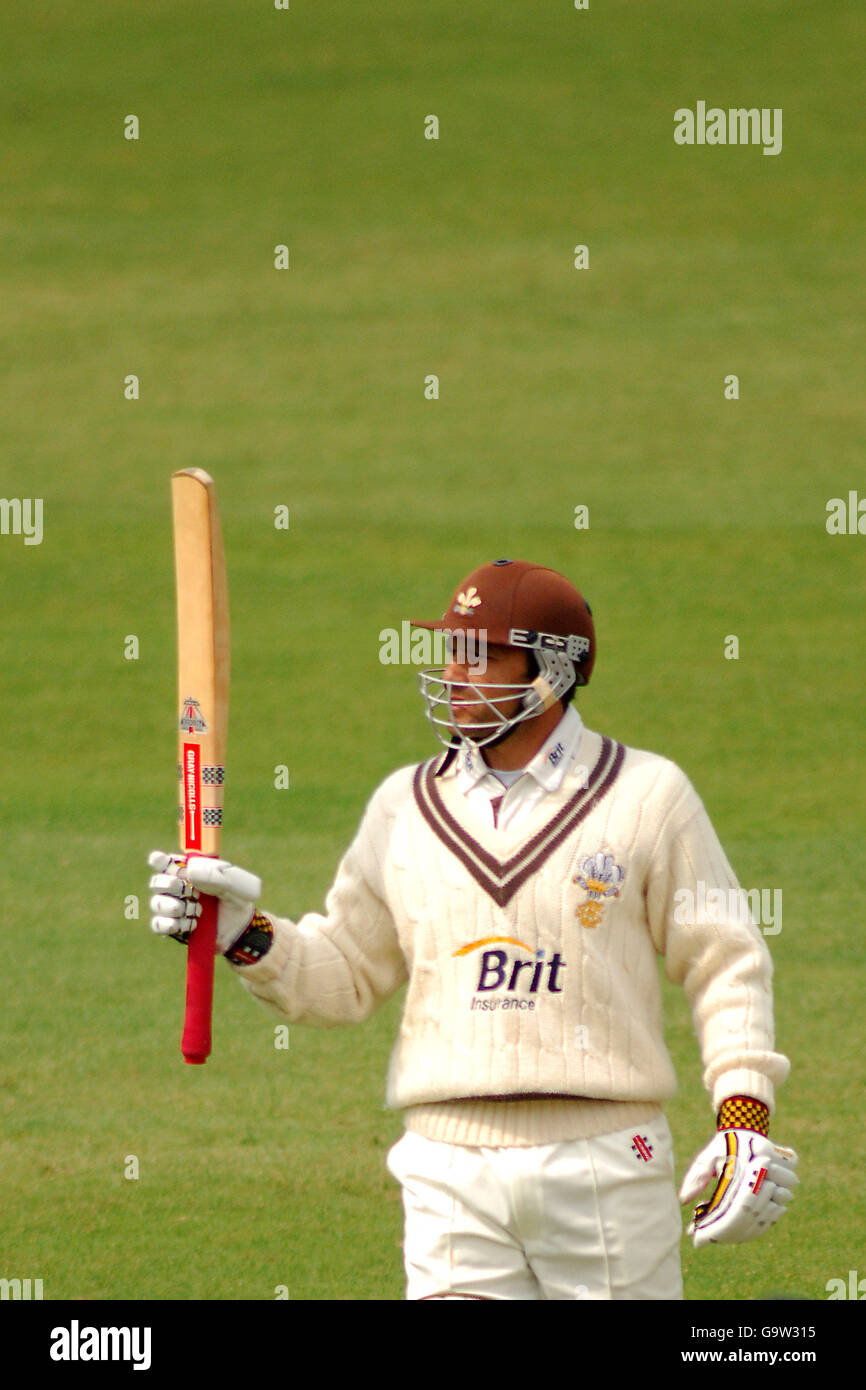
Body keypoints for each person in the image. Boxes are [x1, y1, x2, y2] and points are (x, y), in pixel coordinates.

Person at [149, 558, 797, 1300]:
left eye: (480, 654)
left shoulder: (647, 795)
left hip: (607, 1162)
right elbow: (344, 978)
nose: (453, 673)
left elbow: (726, 961)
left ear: (551, 671)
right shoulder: (404, 807)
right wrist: (244, 934)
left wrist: (743, 1115)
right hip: (446, 1168)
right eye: (449, 651)